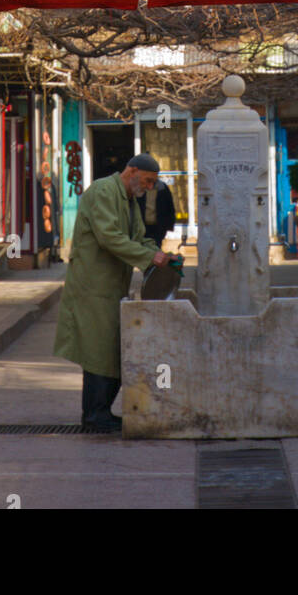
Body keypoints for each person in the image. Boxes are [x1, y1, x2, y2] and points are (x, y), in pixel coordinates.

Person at [53, 152, 169, 432]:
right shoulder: (103, 191)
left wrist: (160, 254)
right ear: (131, 172)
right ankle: (94, 416)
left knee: (113, 348)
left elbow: (139, 237)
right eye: (147, 181)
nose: (149, 188)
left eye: (153, 183)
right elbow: (109, 237)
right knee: (98, 350)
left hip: (111, 286)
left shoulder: (129, 199)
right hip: (92, 285)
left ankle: (101, 412)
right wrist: (148, 258)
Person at [137, 176, 176, 248]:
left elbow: (170, 207)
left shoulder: (162, 187)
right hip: (142, 226)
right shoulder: (140, 187)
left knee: (156, 248)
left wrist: (169, 226)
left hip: (158, 227)